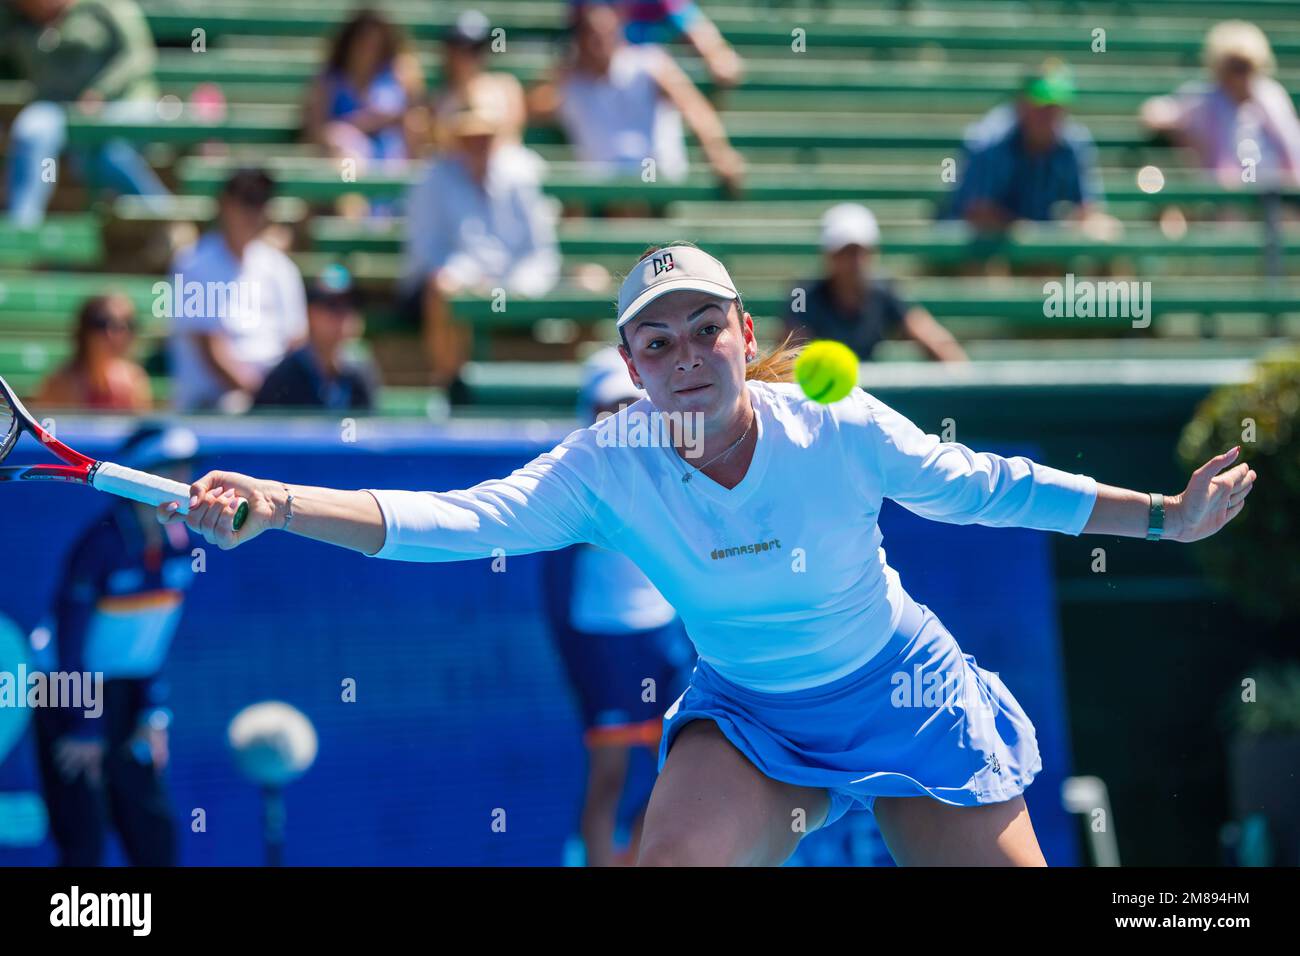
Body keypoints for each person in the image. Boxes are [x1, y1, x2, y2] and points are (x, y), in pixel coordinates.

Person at [157, 242, 1257, 867]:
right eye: (655, 339)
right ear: (632, 366)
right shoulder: (606, 463)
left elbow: (995, 488)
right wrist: (280, 499)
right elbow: (461, 521)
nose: (683, 354)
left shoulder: (842, 428)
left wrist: (1164, 515)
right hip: (752, 721)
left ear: (743, 334)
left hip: (908, 697)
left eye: (702, 328)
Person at [540, 347, 695, 866]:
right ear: (590, 413)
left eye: (629, 406)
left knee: (678, 768)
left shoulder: (671, 462)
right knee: (608, 771)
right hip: (603, 639)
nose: (620, 419)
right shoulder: (575, 472)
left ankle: (636, 854)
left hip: (664, 634)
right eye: (608, 409)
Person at [33, 424, 199, 866]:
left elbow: (152, 645)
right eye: (169, 474)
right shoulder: (100, 547)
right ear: (139, 483)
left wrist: (152, 712)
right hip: (65, 692)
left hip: (127, 695)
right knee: (84, 846)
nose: (183, 487)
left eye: (185, 473)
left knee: (154, 838)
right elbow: (68, 643)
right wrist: (83, 726)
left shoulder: (181, 550)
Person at [399, 96, 560, 390]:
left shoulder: (519, 177)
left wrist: (510, 286)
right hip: (443, 285)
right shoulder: (431, 180)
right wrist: (471, 279)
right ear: (455, 140)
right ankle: (449, 387)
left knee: (593, 280)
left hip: (507, 283)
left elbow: (539, 252)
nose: (478, 144)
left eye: (484, 136)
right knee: (443, 287)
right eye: (469, 137)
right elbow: (426, 252)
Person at [528, 2, 745, 192]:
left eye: (604, 35)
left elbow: (694, 108)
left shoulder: (652, 64)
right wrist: (562, 72)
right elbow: (532, 108)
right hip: (604, 190)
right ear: (579, 39)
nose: (598, 44)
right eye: (591, 36)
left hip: (655, 179)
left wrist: (719, 153)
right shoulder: (569, 81)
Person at [1, 0, 169, 228]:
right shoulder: (16, 19)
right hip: (57, 109)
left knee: (103, 152)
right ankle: (23, 227)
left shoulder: (105, 7)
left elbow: (138, 56)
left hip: (123, 104)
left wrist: (100, 92)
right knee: (32, 132)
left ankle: (164, 215)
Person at [166, 168, 309, 413]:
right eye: (247, 199)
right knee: (235, 407)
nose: (254, 211)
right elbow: (210, 350)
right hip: (212, 402)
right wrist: (265, 396)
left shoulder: (281, 268)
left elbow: (296, 341)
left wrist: (281, 392)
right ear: (225, 205)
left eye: (261, 201)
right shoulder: (191, 265)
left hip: (273, 397)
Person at [782, 204, 968, 362]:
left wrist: (960, 374)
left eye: (861, 252)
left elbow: (930, 337)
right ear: (829, 256)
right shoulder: (804, 295)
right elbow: (791, 357)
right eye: (846, 252)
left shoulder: (885, 293)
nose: (855, 261)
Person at [946, 62, 1112, 232]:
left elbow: (1087, 209)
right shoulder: (988, 141)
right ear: (1022, 103)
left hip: (1044, 244)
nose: (1049, 113)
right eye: (1041, 104)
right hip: (983, 245)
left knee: (1104, 232)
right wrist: (1029, 233)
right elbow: (975, 213)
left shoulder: (1074, 144)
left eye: (1056, 105)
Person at [1140, 20, 1300, 188]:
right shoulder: (1205, 99)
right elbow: (1156, 113)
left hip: (1275, 193)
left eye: (1245, 67)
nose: (1240, 77)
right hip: (1225, 197)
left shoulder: (1271, 96)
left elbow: (1292, 145)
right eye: (1234, 67)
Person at [302, 8, 425, 169]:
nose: (369, 49)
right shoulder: (330, 80)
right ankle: (350, 190)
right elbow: (316, 130)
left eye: (376, 44)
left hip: (394, 157)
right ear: (349, 43)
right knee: (345, 153)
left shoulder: (401, 72)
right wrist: (347, 131)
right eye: (363, 42)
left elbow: (418, 117)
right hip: (347, 158)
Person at [253, 264, 382, 411]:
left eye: (350, 305)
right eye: (332, 305)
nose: (343, 315)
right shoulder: (285, 376)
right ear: (310, 313)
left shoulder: (361, 371)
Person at [576, 0, 744, 90]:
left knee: (657, 65)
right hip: (596, 78)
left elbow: (699, 34)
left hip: (649, 85)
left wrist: (717, 56)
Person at [429, 8, 527, 149]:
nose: (468, 56)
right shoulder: (440, 97)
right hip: (457, 166)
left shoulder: (507, 87)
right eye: (460, 48)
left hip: (499, 164)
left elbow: (510, 135)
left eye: (476, 48)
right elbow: (442, 142)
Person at [36, 293, 153, 411]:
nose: (117, 335)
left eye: (128, 324)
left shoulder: (134, 381)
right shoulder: (60, 386)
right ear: (85, 330)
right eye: (103, 323)